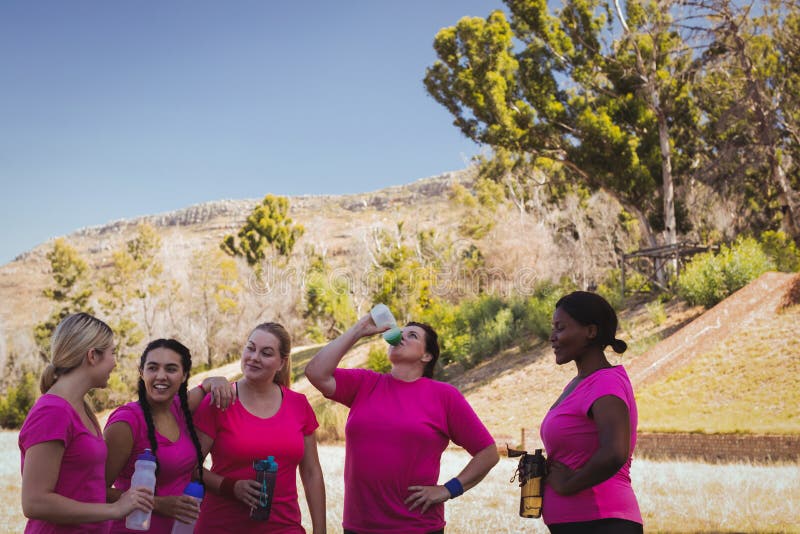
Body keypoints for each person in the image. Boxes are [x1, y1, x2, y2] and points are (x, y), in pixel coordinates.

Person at [305, 314, 499, 534]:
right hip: (359, 527)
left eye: (412, 335)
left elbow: (488, 453)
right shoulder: (366, 383)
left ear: (426, 356)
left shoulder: (444, 396)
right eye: (401, 332)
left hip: (417, 527)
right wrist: (359, 329)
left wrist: (448, 489)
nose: (401, 337)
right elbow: (315, 372)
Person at [18, 312, 154, 533]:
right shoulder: (53, 412)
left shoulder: (80, 407)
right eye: (112, 352)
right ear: (92, 355)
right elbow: (35, 502)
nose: (115, 362)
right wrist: (115, 509)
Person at [192, 322, 326, 534]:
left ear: (281, 363)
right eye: (250, 348)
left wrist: (320, 530)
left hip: (284, 527)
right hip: (221, 526)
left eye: (266, 353)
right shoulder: (219, 401)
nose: (254, 357)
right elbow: (190, 467)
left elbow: (311, 473)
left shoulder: (299, 405)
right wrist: (231, 487)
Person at [103, 338, 236, 533]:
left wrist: (216, 381)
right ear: (142, 372)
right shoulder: (126, 423)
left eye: (171, 369)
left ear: (184, 376)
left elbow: (203, 388)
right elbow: (95, 490)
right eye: (153, 368)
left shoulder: (179, 408)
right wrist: (156, 504)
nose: (161, 376)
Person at [541, 291, 643, 533]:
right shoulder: (579, 383)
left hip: (603, 521)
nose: (552, 337)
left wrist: (568, 485)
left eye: (560, 328)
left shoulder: (606, 382)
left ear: (590, 331)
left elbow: (614, 453)